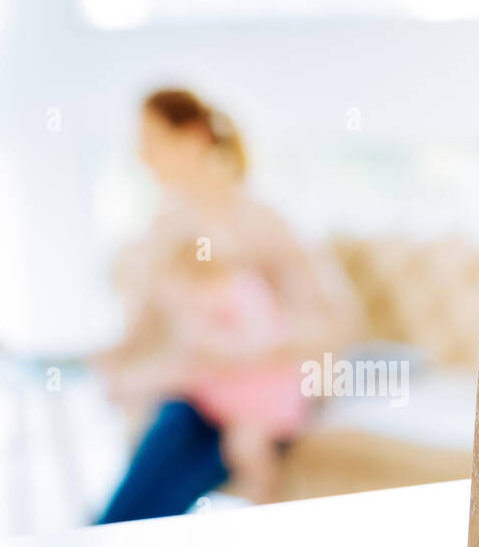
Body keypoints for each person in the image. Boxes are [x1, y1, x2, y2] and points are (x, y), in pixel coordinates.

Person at [94, 88, 356, 524]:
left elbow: (336, 320)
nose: (141, 156)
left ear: (194, 137)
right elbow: (138, 334)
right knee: (175, 424)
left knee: (181, 429)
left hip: (266, 389)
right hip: (203, 390)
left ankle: (107, 540)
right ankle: (113, 538)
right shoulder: (164, 229)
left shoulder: (265, 220)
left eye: (151, 140)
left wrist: (248, 353)